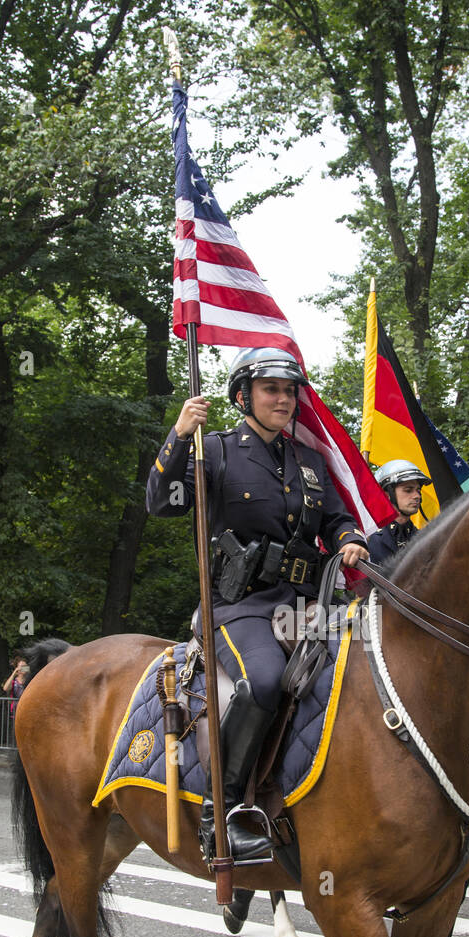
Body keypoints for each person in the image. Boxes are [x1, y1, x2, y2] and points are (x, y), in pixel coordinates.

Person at [146, 346, 369, 862]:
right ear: (244, 396)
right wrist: (180, 435)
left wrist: (348, 537)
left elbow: (335, 519)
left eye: (290, 391)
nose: (284, 399)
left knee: (362, 671)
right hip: (237, 606)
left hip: (305, 605)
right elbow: (161, 501)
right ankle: (220, 810)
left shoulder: (309, 463)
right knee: (264, 680)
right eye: (272, 389)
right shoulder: (215, 451)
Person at [366, 460, 431, 565]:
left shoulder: (425, 539)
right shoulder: (367, 538)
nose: (417, 496)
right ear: (386, 494)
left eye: (418, 490)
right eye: (408, 490)